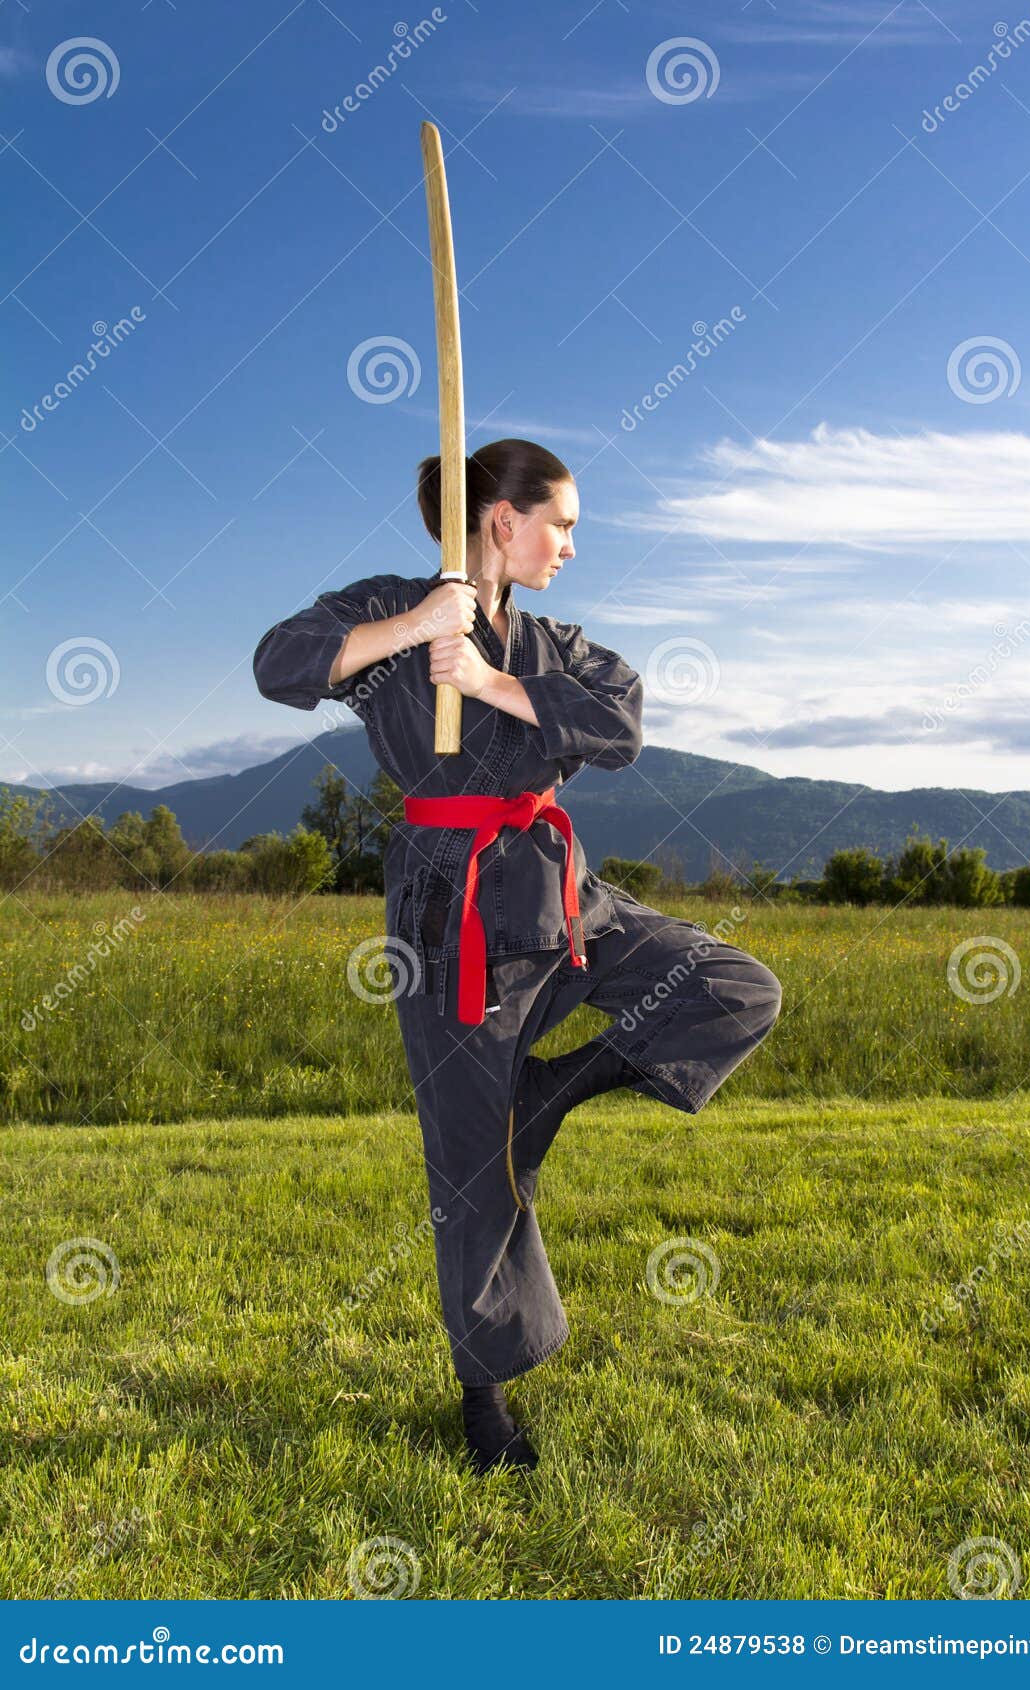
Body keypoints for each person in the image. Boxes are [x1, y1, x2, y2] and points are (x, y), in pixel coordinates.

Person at [253, 438, 782, 1476]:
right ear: (503, 520)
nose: (571, 546)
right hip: (450, 913)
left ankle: (555, 1094)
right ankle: (482, 1395)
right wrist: (414, 629)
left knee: (732, 986)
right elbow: (277, 662)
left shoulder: (551, 641)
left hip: (559, 892)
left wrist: (491, 682)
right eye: (562, 523)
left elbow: (621, 721)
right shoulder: (393, 611)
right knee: (468, 1162)